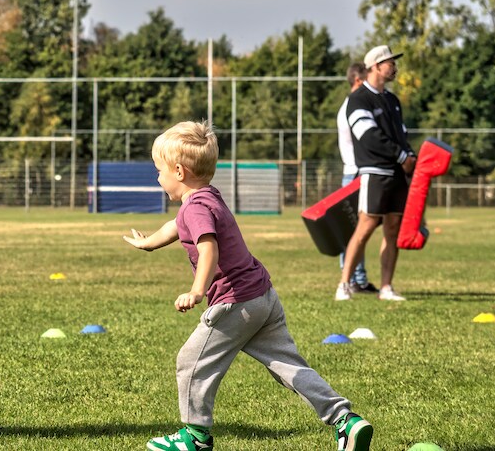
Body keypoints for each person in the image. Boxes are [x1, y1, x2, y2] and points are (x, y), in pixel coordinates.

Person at [123, 121, 373, 451]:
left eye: (159, 171)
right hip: (263, 297)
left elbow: (207, 247)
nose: (158, 178)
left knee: (190, 362)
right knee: (291, 368)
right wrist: (150, 243)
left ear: (179, 171)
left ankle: (195, 438)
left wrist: (198, 290)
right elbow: (176, 225)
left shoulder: (195, 208)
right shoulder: (207, 197)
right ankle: (346, 420)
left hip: (235, 303)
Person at [338, 45, 414, 303]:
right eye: (390, 62)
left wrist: (410, 155)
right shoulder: (358, 99)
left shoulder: (392, 100)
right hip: (374, 173)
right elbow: (369, 137)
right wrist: (402, 156)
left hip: (396, 174)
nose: (394, 66)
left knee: (392, 230)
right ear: (375, 66)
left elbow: (401, 135)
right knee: (365, 227)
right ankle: (344, 284)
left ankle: (386, 287)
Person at [335, 62, 376, 294]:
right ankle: (350, 278)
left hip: (357, 173)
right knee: (353, 230)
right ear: (358, 81)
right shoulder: (352, 106)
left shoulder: (353, 105)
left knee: (360, 229)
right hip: (355, 173)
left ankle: (357, 279)